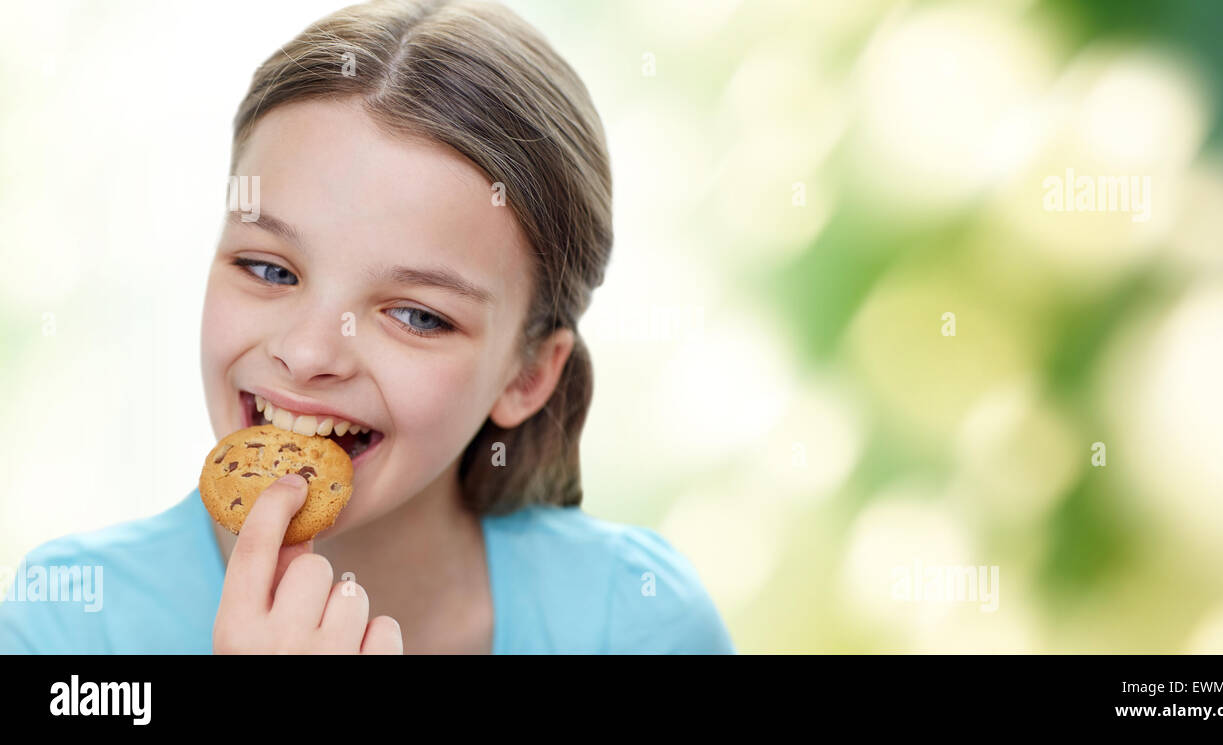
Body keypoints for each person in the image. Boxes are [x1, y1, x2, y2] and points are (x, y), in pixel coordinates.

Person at [0, 0, 734, 654]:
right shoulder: (64, 625)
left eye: (418, 315)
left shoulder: (640, 625)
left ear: (528, 373)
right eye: (270, 269)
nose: (308, 352)